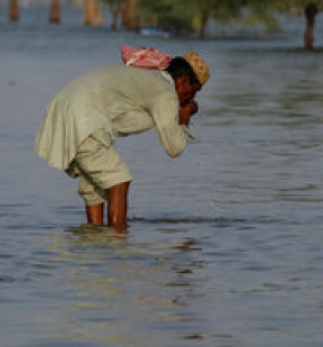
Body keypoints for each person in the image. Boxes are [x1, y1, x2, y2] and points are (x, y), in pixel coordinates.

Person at [35, 51, 209, 228]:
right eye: (194, 91)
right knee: (119, 180)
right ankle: (117, 244)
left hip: (65, 107)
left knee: (94, 187)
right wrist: (185, 116)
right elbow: (174, 148)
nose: (192, 98)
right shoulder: (165, 92)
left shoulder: (151, 79)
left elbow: (128, 119)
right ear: (182, 82)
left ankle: (94, 241)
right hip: (84, 116)